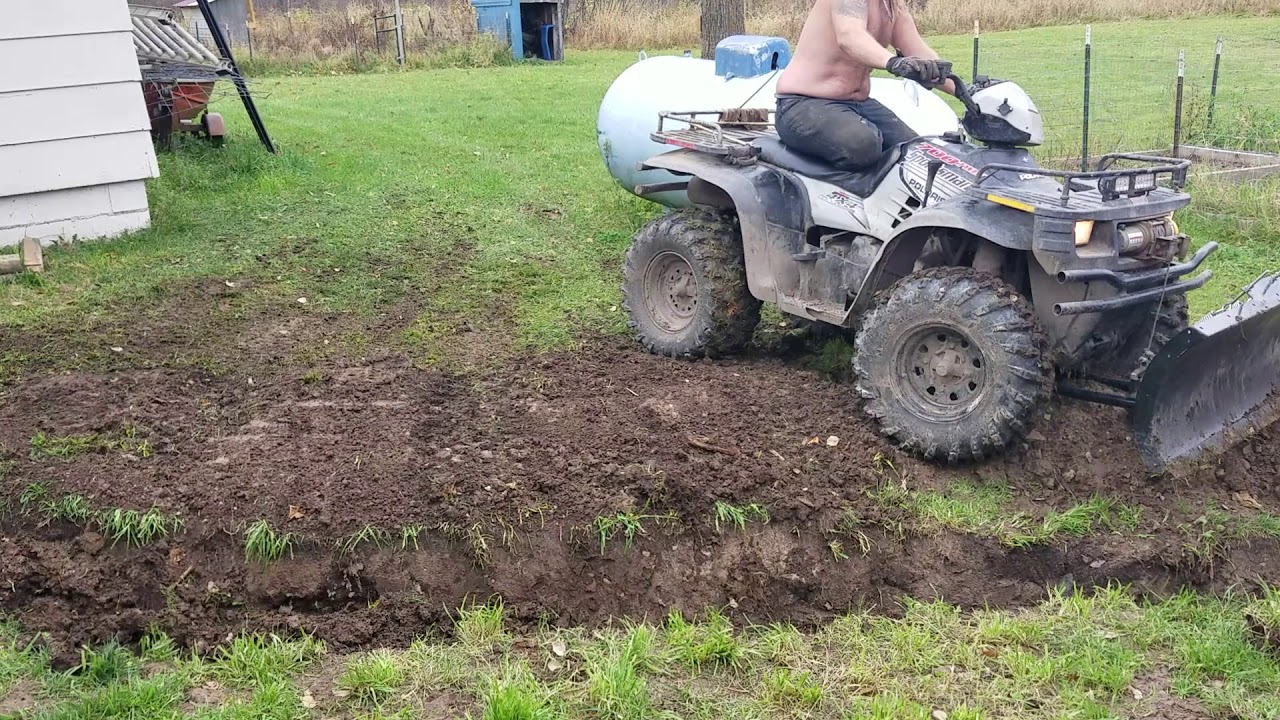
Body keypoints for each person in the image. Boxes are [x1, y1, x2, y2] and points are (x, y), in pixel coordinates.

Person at [775, 0, 954, 171]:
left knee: (917, 154)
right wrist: (893, 63)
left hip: (857, 104)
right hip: (801, 103)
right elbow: (850, 36)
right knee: (862, 145)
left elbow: (919, 52)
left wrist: (967, 92)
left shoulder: (891, 5)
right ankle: (834, 201)